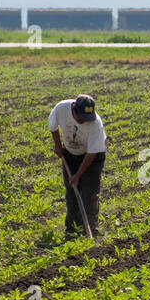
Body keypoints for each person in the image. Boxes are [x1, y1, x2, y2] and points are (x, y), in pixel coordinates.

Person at [48, 94, 108, 238]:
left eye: (86, 117)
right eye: (80, 117)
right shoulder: (61, 108)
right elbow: (53, 126)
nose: (83, 121)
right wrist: (58, 145)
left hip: (92, 157)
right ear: (74, 108)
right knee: (71, 192)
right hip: (70, 153)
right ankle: (72, 230)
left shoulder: (95, 123)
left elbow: (92, 153)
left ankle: (91, 229)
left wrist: (78, 175)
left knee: (89, 192)